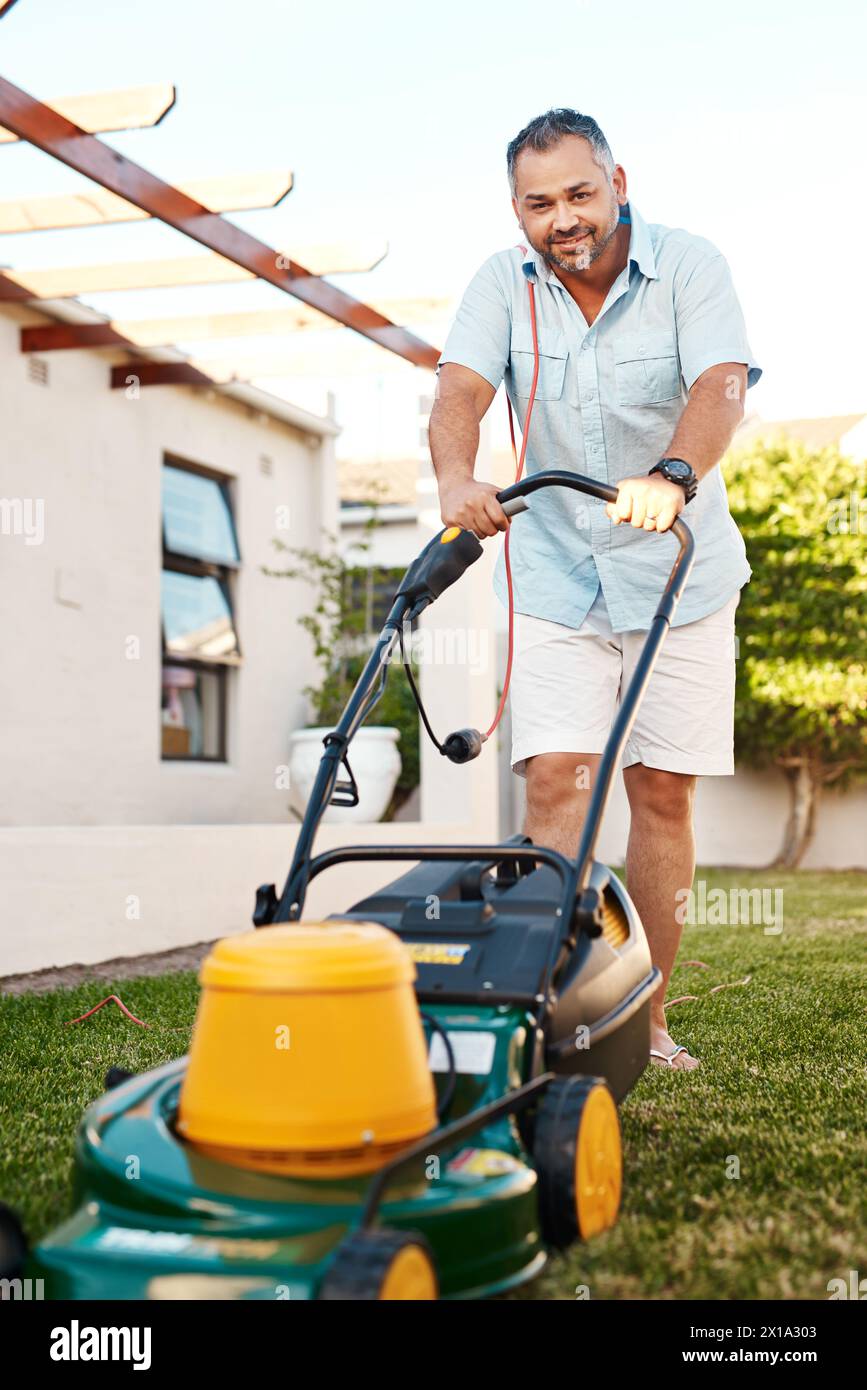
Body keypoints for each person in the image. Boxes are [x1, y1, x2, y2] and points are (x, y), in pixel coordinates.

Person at [429, 108, 762, 1070]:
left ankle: (647, 1022)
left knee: (659, 792)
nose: (562, 218)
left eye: (579, 193)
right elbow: (458, 393)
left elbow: (722, 383)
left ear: (619, 182)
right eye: (538, 204)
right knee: (554, 783)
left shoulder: (689, 265)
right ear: (516, 210)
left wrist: (674, 476)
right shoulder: (503, 284)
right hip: (555, 574)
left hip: (679, 576)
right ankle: (544, 1010)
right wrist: (458, 479)